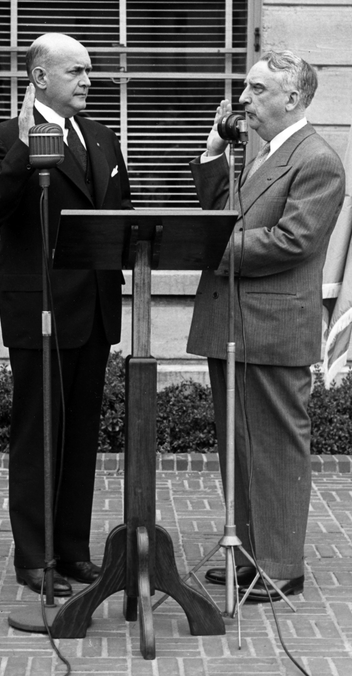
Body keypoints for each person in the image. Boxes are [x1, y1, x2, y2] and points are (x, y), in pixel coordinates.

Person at [0, 33, 133, 596]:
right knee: (40, 436)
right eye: (76, 72)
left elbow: (123, 218)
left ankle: (72, 551)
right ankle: (34, 557)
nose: (88, 80)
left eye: (89, 71)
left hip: (94, 312)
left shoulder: (103, 139)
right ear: (39, 78)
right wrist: (23, 147)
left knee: (81, 437)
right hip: (39, 312)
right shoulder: (0, 139)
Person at [187, 50, 345, 601]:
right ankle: (246, 551)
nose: (244, 100)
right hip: (234, 321)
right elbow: (222, 219)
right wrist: (213, 154)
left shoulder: (316, 159)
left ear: (292, 98)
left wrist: (208, 249)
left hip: (274, 327)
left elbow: (293, 241)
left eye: (256, 90)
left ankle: (280, 567)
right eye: (246, 90)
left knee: (275, 451)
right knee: (240, 447)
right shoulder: (262, 151)